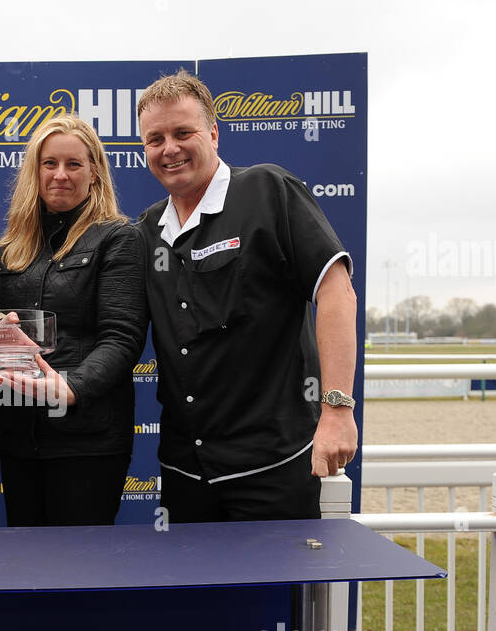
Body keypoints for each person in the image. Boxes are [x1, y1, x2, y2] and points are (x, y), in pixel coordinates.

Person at [135, 70, 358, 522]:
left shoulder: (269, 191)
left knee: (272, 595)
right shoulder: (145, 232)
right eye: (155, 139)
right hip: (184, 474)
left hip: (272, 467)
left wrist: (337, 410)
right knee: (193, 594)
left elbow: (337, 291)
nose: (169, 149)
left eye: (183, 133)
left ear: (213, 133)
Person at [0, 114, 147, 526]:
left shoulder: (118, 238)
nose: (61, 175)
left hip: (88, 440)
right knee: (27, 571)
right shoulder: (8, 250)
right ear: (34, 172)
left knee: (82, 573)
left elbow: (122, 338)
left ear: (94, 171)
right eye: (49, 163)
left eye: (74, 164)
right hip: (19, 438)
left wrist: (71, 387)